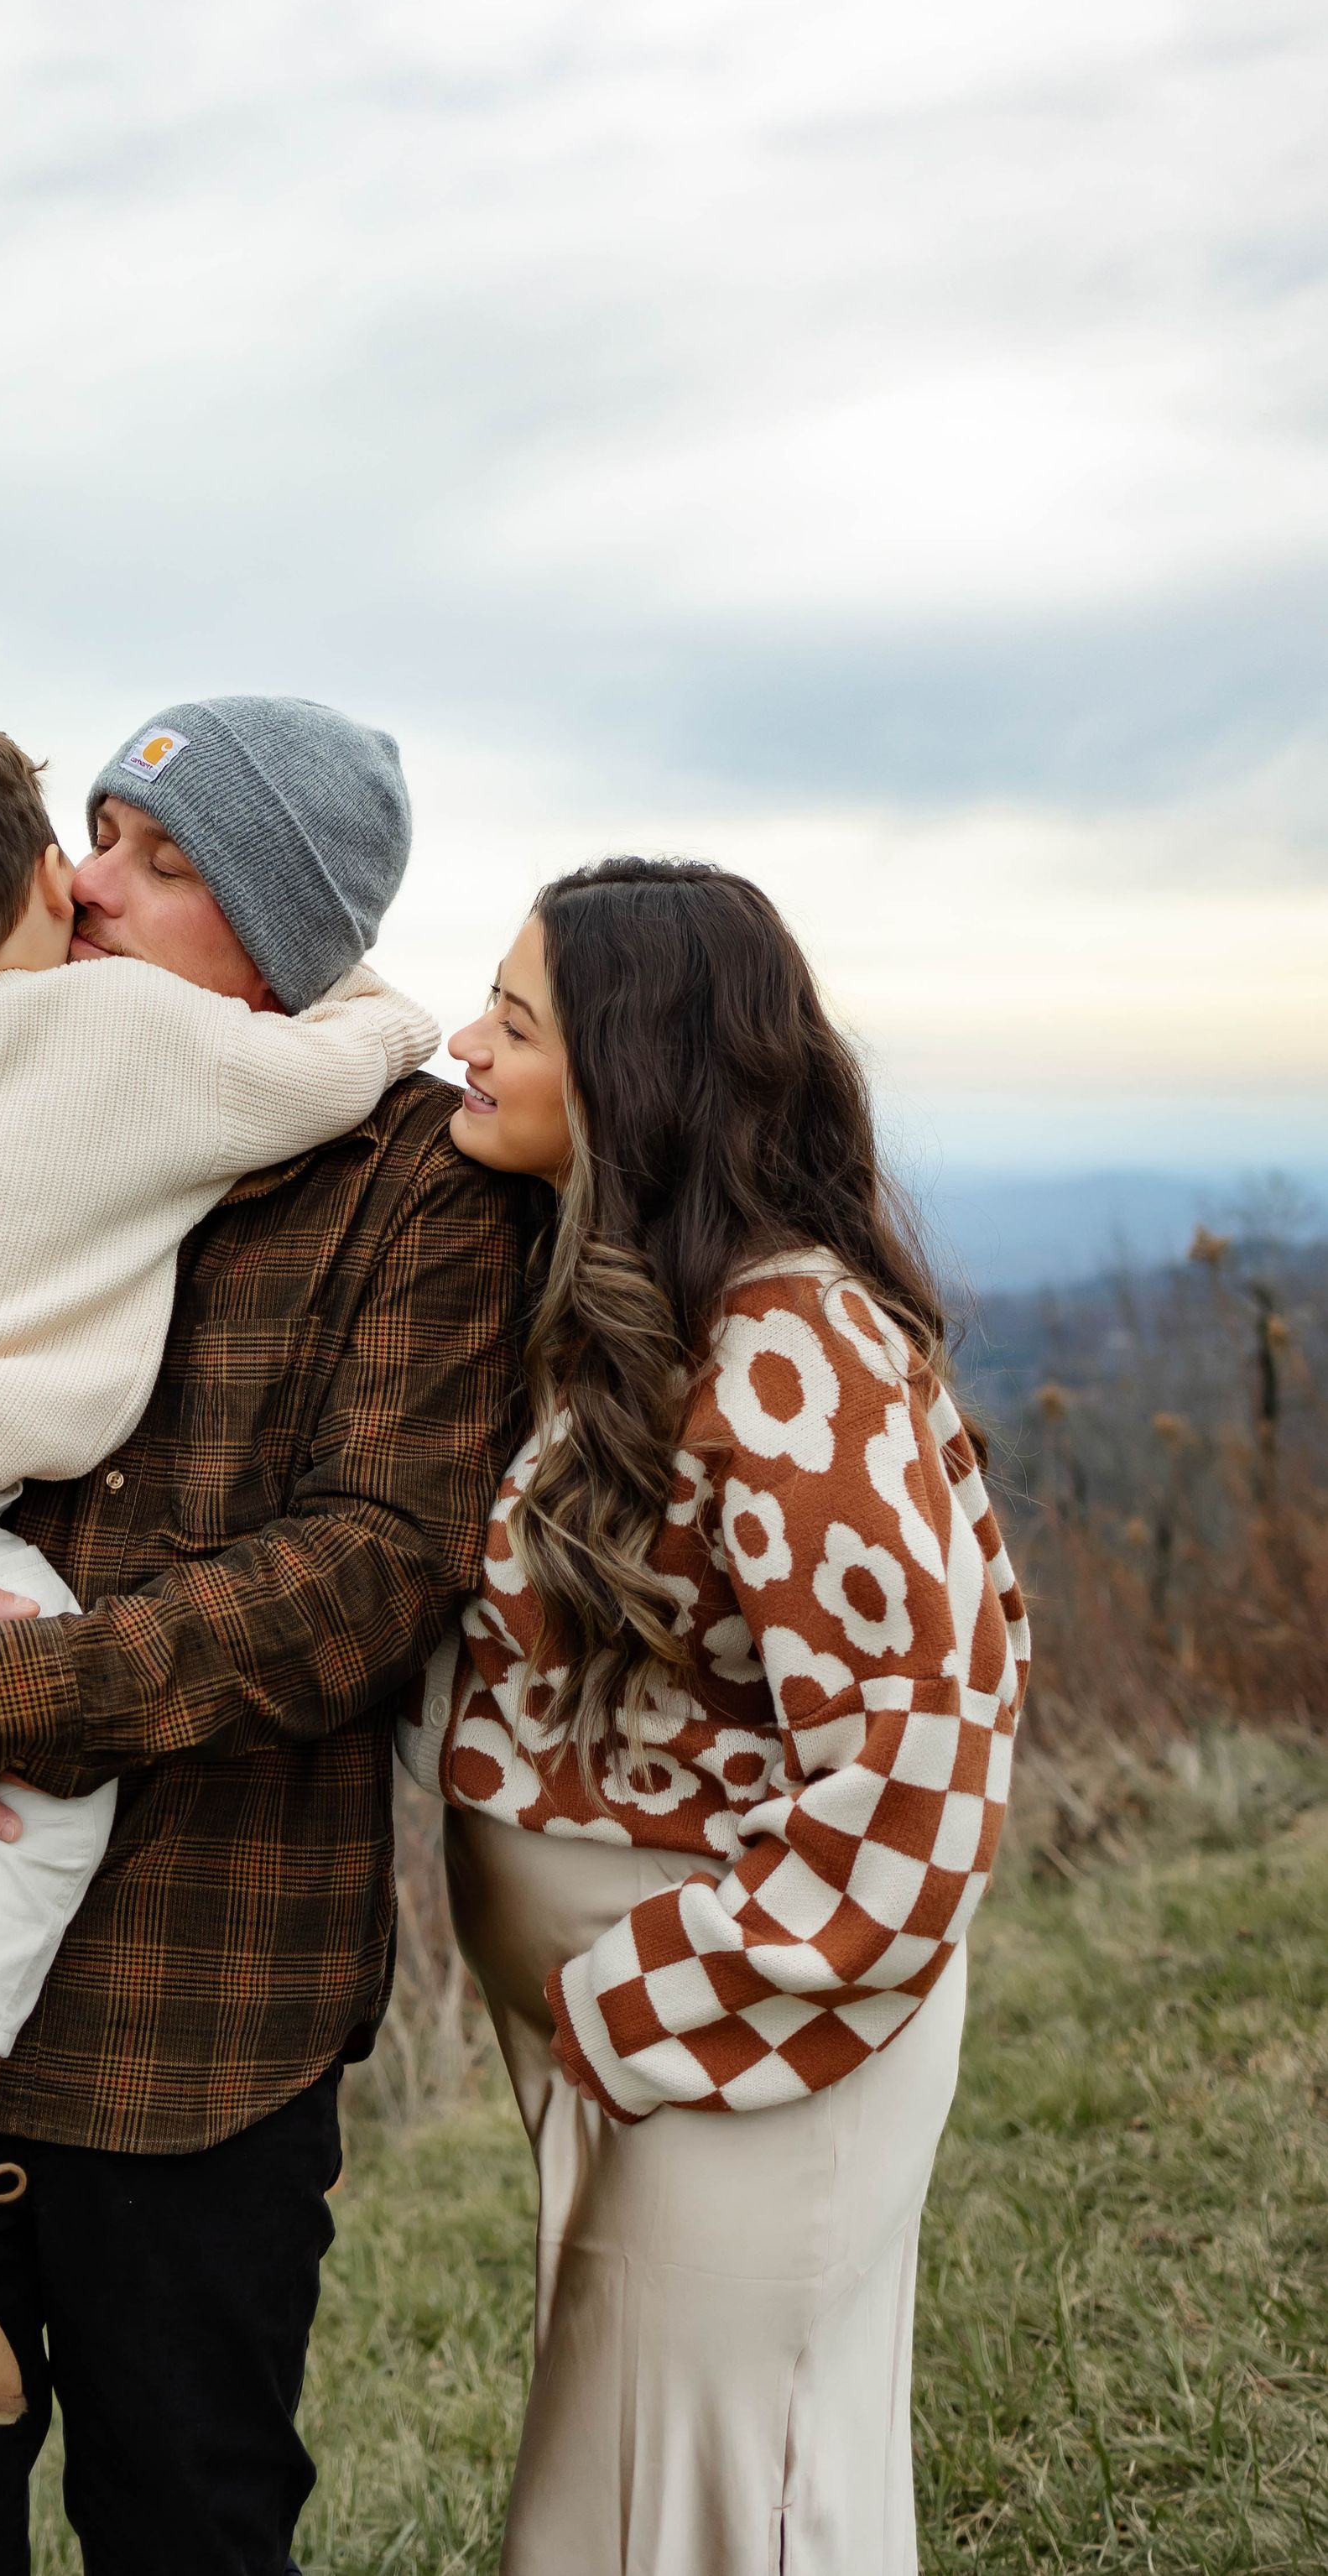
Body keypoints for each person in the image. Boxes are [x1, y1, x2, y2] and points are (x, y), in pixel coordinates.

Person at [0, 691, 542, 2576]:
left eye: (170, 864)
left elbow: (378, 1564)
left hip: (192, 2027)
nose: (89, 889)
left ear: (291, 931)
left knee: (192, 2531)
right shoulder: (4, 1058)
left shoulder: (412, 1185)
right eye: (98, 837)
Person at [401, 858, 1029, 2576]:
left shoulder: (789, 1346)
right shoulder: (621, 1302)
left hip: (751, 2046)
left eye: (513, 1023)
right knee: (689, 2492)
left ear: (634, 1075)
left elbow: (920, 1769)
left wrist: (627, 2000)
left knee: (705, 2505)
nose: (464, 1042)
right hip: (668, 2048)